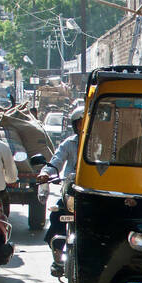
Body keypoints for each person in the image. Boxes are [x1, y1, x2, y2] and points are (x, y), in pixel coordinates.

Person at [37, 103, 85, 256]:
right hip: (71, 190)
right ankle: (57, 252)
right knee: (57, 214)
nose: (83, 126)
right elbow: (56, 161)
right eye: (80, 123)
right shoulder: (69, 143)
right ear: (75, 125)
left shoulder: (102, 144)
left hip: (91, 190)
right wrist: (45, 172)